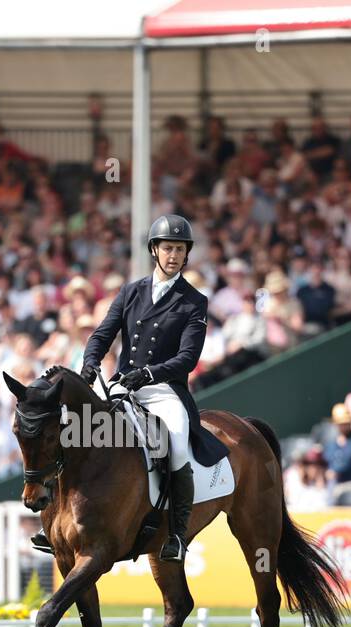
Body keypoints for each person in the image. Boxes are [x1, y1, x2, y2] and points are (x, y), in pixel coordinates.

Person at [35, 213, 225, 563]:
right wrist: (91, 363)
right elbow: (102, 334)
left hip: (165, 392)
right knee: (73, 432)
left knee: (178, 445)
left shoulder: (193, 301)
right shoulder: (131, 291)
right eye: (167, 248)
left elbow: (187, 358)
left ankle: (178, 535)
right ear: (154, 250)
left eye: (180, 250)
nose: (173, 255)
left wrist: (150, 375)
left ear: (186, 254)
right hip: (123, 388)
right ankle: (54, 521)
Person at [284, 447, 332, 511]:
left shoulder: (328, 480)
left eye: (319, 464)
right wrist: (303, 481)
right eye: (310, 464)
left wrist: (321, 487)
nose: (314, 468)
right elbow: (294, 502)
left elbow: (324, 506)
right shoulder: (294, 475)